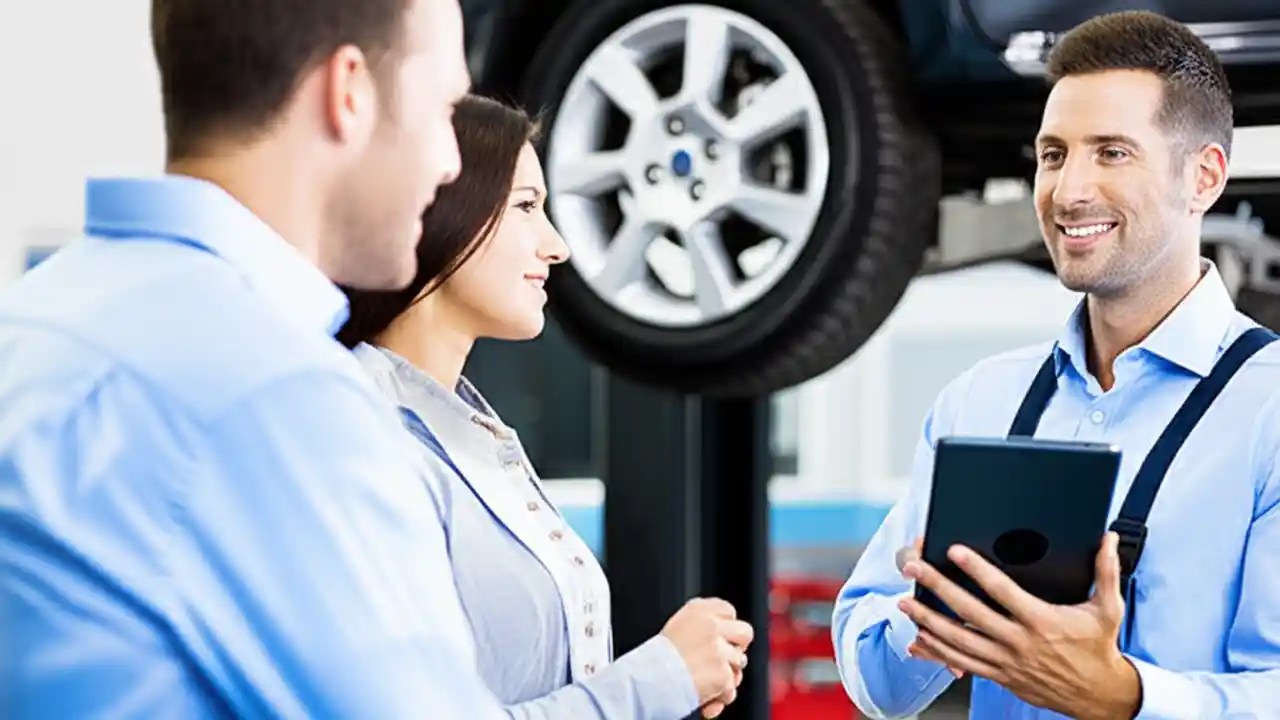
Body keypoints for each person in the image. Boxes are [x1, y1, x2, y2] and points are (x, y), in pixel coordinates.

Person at [0, 0, 509, 717]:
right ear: (349, 92)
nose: (452, 163)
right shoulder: (273, 393)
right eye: (442, 111)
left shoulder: (36, 320)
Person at [832, 10, 1280, 720]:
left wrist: (1123, 696)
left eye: (1112, 153)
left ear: (1203, 177)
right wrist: (936, 614)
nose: (1068, 192)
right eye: (1053, 154)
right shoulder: (978, 403)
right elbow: (875, 682)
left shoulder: (1269, 411)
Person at [336, 93, 753, 720]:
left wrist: (673, 682)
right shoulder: (368, 443)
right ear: (438, 209)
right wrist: (659, 680)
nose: (557, 246)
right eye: (527, 207)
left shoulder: (469, 435)